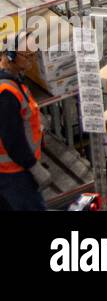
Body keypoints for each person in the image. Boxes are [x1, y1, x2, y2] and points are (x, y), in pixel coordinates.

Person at [0, 39, 48, 211]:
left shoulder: (13, 81)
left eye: (34, 55)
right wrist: (33, 166)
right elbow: (12, 138)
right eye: (28, 56)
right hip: (13, 173)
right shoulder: (6, 92)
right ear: (11, 55)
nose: (32, 60)